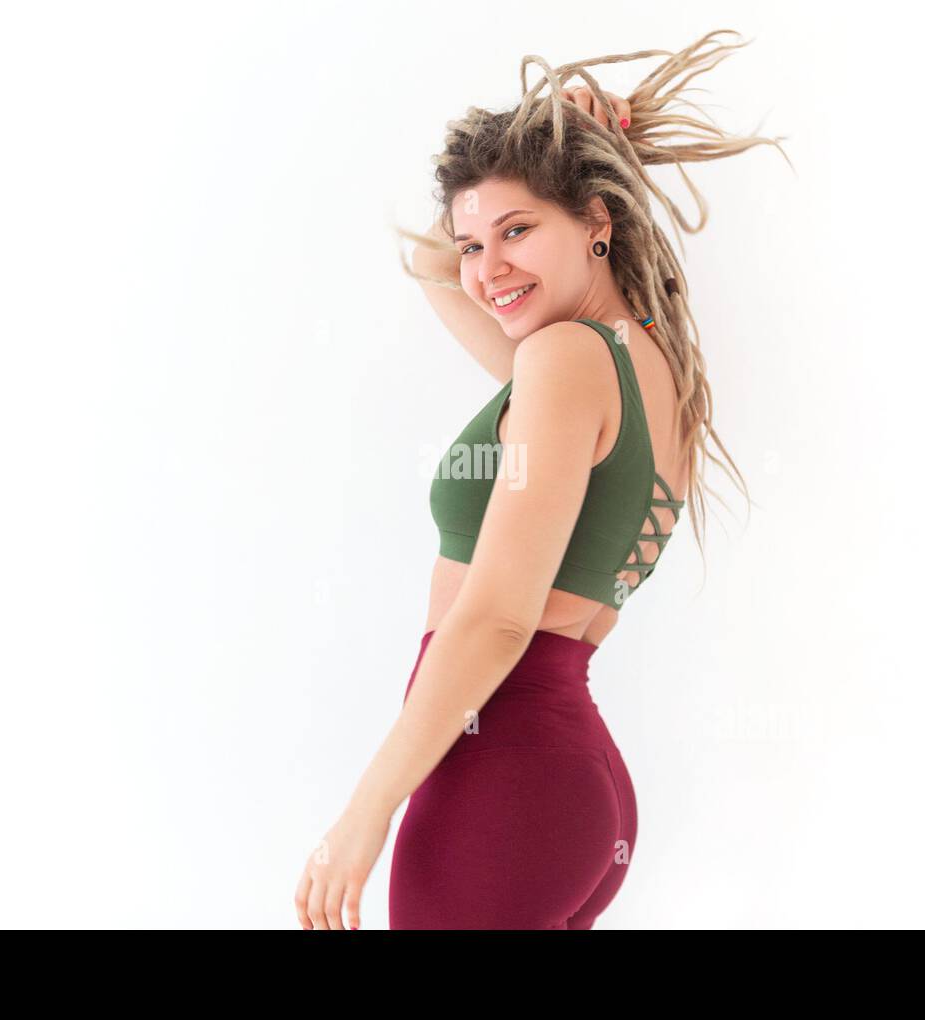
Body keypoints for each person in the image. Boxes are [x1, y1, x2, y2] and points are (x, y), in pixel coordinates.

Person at [294, 32, 789, 930]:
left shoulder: (564, 360)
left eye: (518, 231)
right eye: (475, 242)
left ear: (598, 222)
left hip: (505, 777)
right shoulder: (641, 364)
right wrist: (556, 158)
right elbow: (435, 269)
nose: (488, 270)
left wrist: (363, 817)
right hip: (566, 788)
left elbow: (497, 618)